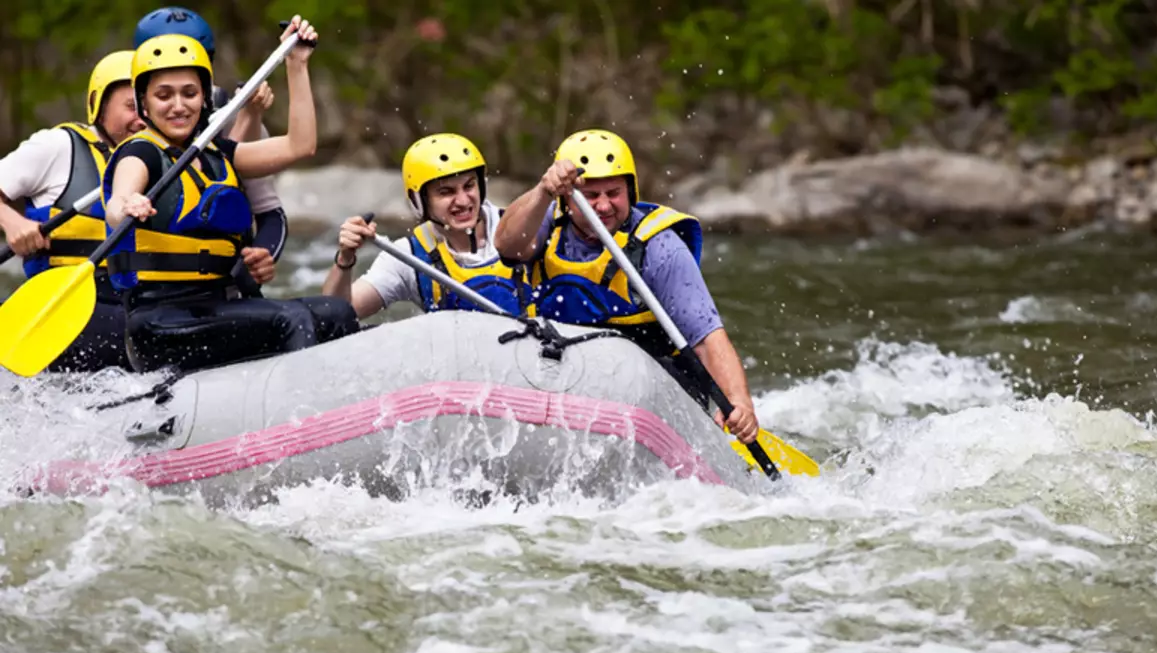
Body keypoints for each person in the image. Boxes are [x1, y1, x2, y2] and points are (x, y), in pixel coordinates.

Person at [102, 17, 357, 374]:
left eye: (189, 93)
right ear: (143, 103)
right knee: (291, 318)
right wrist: (127, 205)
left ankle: (348, 407)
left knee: (337, 312)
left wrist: (297, 65)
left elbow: (300, 145)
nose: (178, 105)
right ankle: (304, 417)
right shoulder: (140, 153)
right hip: (158, 322)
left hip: (215, 308)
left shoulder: (217, 152)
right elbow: (117, 203)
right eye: (164, 95)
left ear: (205, 97)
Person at [493, 128, 759, 443]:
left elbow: (705, 338)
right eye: (591, 195)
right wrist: (542, 191)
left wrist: (738, 400)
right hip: (568, 386)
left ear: (630, 192)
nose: (603, 206)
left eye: (613, 193)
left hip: (653, 397)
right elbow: (507, 247)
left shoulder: (659, 247)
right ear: (568, 198)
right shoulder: (547, 221)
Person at [0, 50, 145, 372]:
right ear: (100, 106)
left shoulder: (166, 161)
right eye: (132, 106)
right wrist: (12, 222)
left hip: (145, 302)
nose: (142, 119)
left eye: (147, 106)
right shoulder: (58, 147)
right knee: (140, 332)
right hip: (74, 307)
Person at [134, 7, 291, 270]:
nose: (178, 106)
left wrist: (257, 263)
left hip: (215, 276)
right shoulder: (124, 115)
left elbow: (268, 213)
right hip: (148, 279)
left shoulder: (231, 112)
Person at [322, 133, 531, 318]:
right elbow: (336, 314)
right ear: (419, 201)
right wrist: (345, 258)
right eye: (446, 192)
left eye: (469, 186)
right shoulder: (408, 257)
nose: (463, 201)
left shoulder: (525, 227)